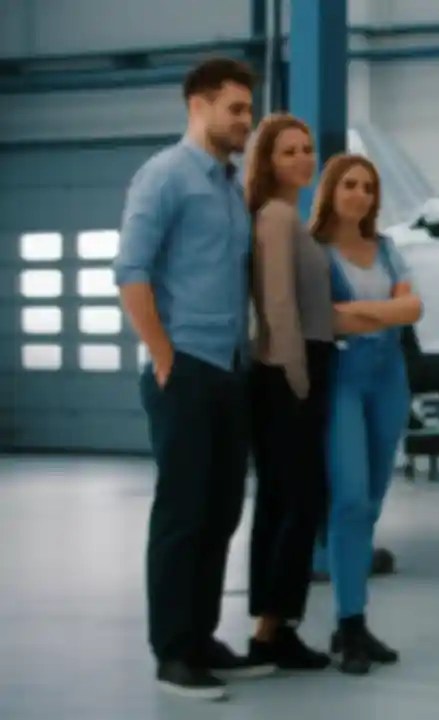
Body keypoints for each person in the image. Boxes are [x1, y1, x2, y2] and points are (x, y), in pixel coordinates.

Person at [113, 57, 276, 701]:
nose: (246, 121)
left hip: (228, 371)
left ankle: (202, 637)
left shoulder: (229, 186)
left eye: (248, 109)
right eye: (236, 109)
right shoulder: (164, 177)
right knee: (182, 515)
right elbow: (132, 272)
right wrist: (164, 355)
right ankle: (171, 653)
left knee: (220, 512)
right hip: (185, 370)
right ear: (199, 106)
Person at [311, 154, 422, 675]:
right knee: (350, 498)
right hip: (344, 380)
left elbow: (413, 310)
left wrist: (354, 315)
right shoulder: (316, 253)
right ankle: (346, 621)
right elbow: (323, 322)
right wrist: (382, 314)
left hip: (389, 378)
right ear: (331, 190)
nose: (359, 195)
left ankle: (353, 623)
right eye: (350, 185)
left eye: (368, 187)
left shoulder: (388, 249)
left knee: (373, 501)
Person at [242, 112, 333, 670]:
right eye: (289, 151)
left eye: (308, 148)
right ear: (268, 161)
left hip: (294, 366)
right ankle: (272, 630)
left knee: (285, 501)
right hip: (288, 370)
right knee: (297, 503)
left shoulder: (290, 217)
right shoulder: (276, 217)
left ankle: (271, 630)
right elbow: (277, 302)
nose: (303, 158)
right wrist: (297, 374)